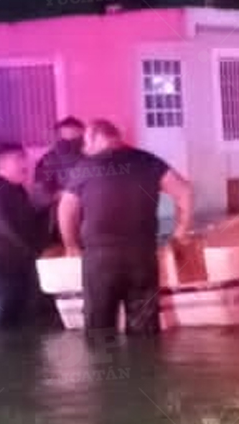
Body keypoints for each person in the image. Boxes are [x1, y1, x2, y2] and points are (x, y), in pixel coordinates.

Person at [58, 119, 193, 335]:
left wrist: (71, 245)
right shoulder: (147, 161)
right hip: (141, 257)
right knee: (144, 332)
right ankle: (144, 367)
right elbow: (184, 191)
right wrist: (180, 231)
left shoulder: (85, 168)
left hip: (100, 260)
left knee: (100, 331)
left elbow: (66, 210)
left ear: (96, 137)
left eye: (86, 142)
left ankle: (108, 370)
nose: (85, 148)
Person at [0, 143, 46, 328]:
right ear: (2, 164)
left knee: (17, 314)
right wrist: (35, 249)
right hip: (3, 266)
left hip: (20, 263)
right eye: (19, 159)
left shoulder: (17, 190)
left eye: (25, 158)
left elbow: (29, 221)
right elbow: (6, 226)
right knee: (2, 316)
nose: (26, 163)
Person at [34, 117, 86, 248]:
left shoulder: (92, 158)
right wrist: (64, 195)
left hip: (90, 219)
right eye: (65, 138)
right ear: (58, 137)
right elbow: (41, 195)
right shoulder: (48, 160)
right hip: (58, 221)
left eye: (75, 137)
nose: (70, 142)